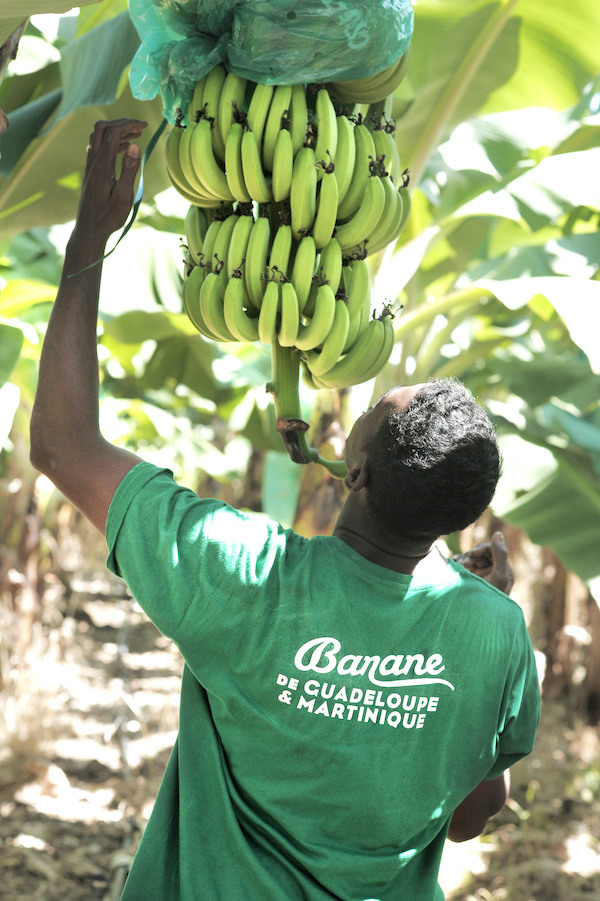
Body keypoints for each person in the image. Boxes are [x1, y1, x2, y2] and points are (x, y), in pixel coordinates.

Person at [29, 119, 540, 901]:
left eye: (367, 413)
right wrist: (483, 618)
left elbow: (62, 445)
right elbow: (473, 814)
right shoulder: (495, 628)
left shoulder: (243, 572)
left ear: (355, 469)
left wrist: (89, 238)